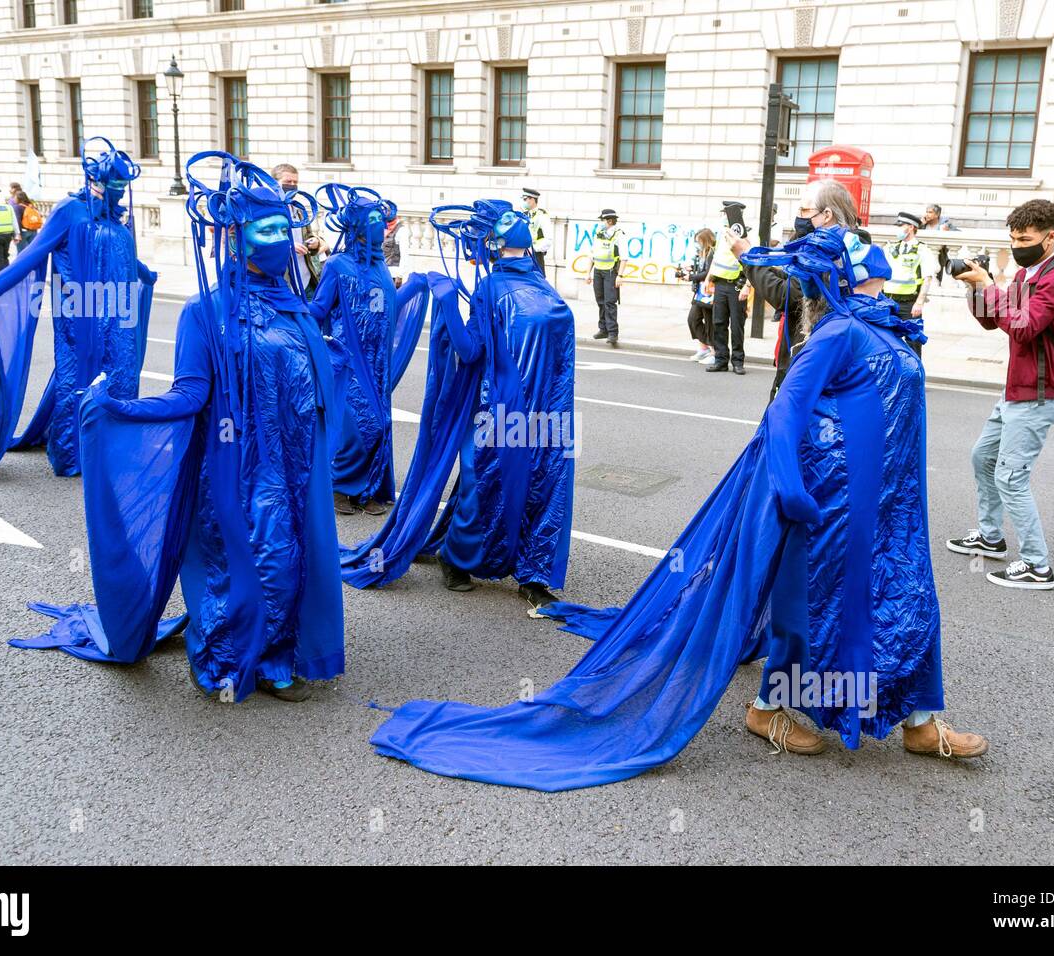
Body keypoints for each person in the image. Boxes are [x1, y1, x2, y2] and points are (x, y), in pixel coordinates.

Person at [366, 224, 987, 791]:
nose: (884, 274)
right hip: (833, 503)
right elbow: (784, 411)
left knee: (911, 603)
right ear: (844, 278)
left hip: (893, 506)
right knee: (815, 611)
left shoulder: (886, 328)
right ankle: (768, 708)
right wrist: (795, 487)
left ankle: (920, 721)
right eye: (870, 268)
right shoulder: (837, 332)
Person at [11, 152, 346, 703]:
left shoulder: (297, 306)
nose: (282, 241)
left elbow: (311, 382)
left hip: (298, 462)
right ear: (236, 238)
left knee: (297, 555)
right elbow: (190, 392)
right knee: (263, 556)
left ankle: (279, 654)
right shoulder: (205, 312)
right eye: (268, 230)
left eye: (286, 229)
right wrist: (122, 411)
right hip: (237, 463)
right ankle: (223, 653)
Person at [341, 199, 576, 616]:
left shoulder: (532, 284)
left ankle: (533, 574)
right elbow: (471, 353)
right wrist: (448, 305)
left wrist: (449, 303)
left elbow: (501, 352)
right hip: (512, 409)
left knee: (541, 486)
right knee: (486, 484)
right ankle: (457, 558)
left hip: (541, 410)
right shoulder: (502, 287)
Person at [0, 137, 155, 480]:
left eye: (124, 186)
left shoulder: (116, 216)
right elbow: (32, 255)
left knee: (122, 374)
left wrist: (145, 273)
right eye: (115, 185)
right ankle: (71, 451)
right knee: (79, 377)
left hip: (121, 310)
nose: (120, 191)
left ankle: (113, 449)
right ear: (97, 181)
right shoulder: (69, 210)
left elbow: (123, 256)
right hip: (80, 310)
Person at [947, 199, 1054, 591]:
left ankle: (1037, 565)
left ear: (1050, 236)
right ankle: (991, 536)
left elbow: (1023, 326)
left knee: (1011, 478)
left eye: (1025, 238)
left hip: (1039, 393)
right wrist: (976, 289)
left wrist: (991, 287)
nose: (1018, 244)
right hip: (1016, 388)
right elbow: (993, 322)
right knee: (983, 456)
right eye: (1014, 238)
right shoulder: (1028, 275)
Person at [309, 182, 398, 516]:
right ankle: (340, 485)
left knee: (381, 423)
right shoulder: (336, 265)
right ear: (359, 225)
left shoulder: (380, 264)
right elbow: (319, 310)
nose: (382, 225)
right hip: (348, 358)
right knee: (360, 425)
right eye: (375, 218)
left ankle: (370, 487)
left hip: (379, 362)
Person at [738, 179, 860, 400]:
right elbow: (791, 278)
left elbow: (787, 295)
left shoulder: (825, 251)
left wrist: (746, 259)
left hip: (812, 358)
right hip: (811, 352)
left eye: (804, 210)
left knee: (783, 426)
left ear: (827, 214)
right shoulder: (836, 243)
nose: (799, 216)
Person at [271, 163, 328, 294]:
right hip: (282, 281)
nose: (292, 185)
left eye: (294, 182)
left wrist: (314, 242)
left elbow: (308, 234)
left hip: (306, 279)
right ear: (274, 183)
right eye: (287, 182)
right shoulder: (267, 211)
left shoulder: (299, 209)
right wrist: (287, 246)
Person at [706, 201, 748, 374]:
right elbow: (717, 258)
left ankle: (738, 362)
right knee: (719, 323)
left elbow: (751, 261)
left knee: (737, 325)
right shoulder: (722, 233)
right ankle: (721, 360)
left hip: (737, 285)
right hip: (720, 284)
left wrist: (747, 285)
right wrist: (708, 278)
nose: (723, 216)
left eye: (725, 213)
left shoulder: (746, 234)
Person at [883, 211, 927, 356]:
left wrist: (919, 303)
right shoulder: (890, 248)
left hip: (910, 304)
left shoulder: (922, 250)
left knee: (913, 342)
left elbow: (928, 278)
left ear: (910, 227)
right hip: (889, 301)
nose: (898, 229)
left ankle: (915, 375)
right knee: (885, 341)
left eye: (901, 226)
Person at [586, 208, 623, 347]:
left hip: (610, 272)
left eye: (602, 220)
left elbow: (624, 258)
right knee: (600, 300)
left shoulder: (619, 235)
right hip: (598, 271)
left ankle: (613, 332)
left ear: (609, 220)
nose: (601, 223)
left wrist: (620, 275)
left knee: (610, 302)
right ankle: (603, 329)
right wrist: (588, 273)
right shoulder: (599, 233)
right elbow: (592, 254)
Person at [680, 227, 715, 363]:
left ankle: (714, 352)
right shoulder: (701, 253)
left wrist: (691, 277)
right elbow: (701, 269)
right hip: (700, 293)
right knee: (693, 319)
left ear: (706, 240)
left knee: (710, 322)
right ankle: (704, 348)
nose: (697, 244)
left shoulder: (712, 253)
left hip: (708, 292)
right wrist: (691, 269)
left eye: (699, 241)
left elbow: (708, 273)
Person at [522, 188, 552, 273]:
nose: (523, 202)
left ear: (532, 199)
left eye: (525, 199)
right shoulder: (524, 215)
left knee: (537, 280)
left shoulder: (542, 215)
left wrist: (535, 249)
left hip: (536, 254)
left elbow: (548, 238)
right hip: (523, 254)